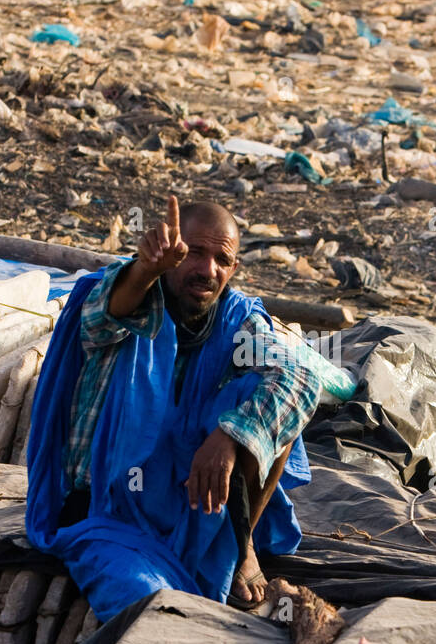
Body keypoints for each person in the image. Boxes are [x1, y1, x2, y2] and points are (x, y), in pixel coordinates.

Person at [25, 195, 323, 621]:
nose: (207, 270)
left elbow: (301, 378)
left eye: (222, 259)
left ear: (234, 269)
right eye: (195, 253)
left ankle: (242, 545)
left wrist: (230, 436)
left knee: (269, 395)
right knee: (147, 601)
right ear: (171, 249)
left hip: (185, 497)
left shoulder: (236, 318)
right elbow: (106, 315)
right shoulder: (126, 294)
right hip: (109, 508)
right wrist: (147, 269)